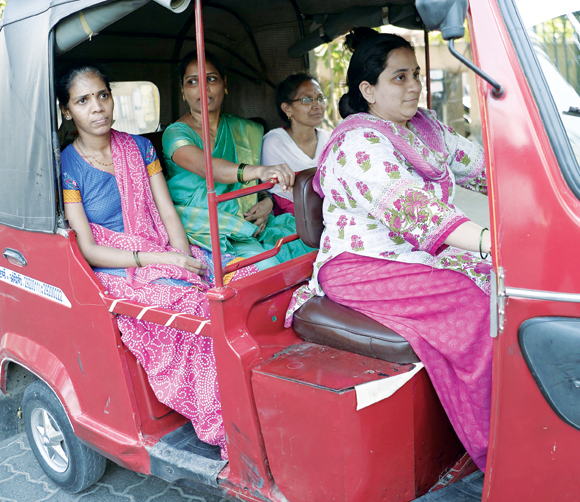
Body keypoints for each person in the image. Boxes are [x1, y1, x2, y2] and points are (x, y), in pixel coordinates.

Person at [284, 28, 492, 470]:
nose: (414, 85)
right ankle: (493, 443)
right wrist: (486, 240)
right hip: (362, 265)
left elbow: (479, 166)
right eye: (399, 77)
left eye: (415, 73)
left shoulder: (423, 128)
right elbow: (413, 210)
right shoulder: (358, 143)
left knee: (504, 283)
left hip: (416, 256)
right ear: (368, 90)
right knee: (476, 302)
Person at [58, 63, 247, 457]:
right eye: (83, 100)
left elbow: (166, 213)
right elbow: (89, 248)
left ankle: (256, 397)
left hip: (162, 248)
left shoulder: (141, 148)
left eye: (102, 96)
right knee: (199, 310)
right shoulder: (69, 167)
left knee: (240, 278)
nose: (97, 108)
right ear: (67, 111)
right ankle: (224, 420)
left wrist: (179, 256)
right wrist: (155, 261)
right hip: (118, 270)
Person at [162, 51, 313, 271]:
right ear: (183, 90)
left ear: (224, 84)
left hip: (248, 220)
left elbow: (252, 186)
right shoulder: (175, 134)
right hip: (204, 225)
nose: (203, 88)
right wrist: (260, 170)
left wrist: (266, 201)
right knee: (268, 266)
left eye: (211, 79)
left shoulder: (243, 129)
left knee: (310, 243)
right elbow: (209, 168)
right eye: (192, 82)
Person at [261, 73, 332, 215]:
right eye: (307, 99)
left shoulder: (329, 139)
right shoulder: (274, 142)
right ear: (287, 108)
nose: (317, 105)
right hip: (292, 220)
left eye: (320, 98)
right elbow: (280, 194)